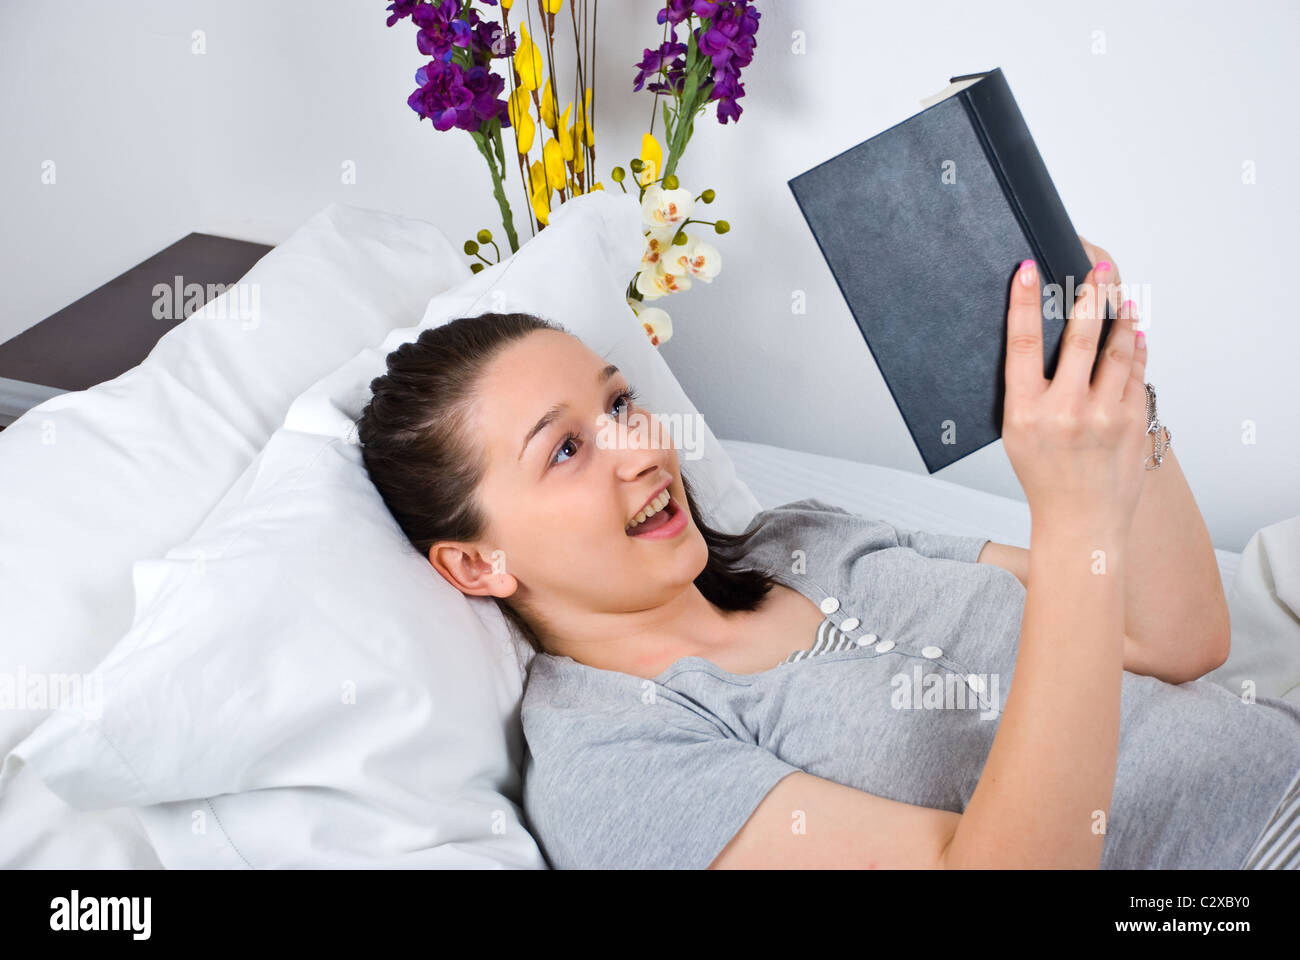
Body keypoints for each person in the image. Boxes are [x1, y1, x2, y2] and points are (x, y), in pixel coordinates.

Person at [355, 246, 1300, 870]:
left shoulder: (800, 539)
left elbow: (1177, 636)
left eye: (619, 404)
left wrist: (1123, 398)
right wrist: (1076, 521)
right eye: (565, 450)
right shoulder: (610, 761)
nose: (640, 446)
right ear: (476, 566)